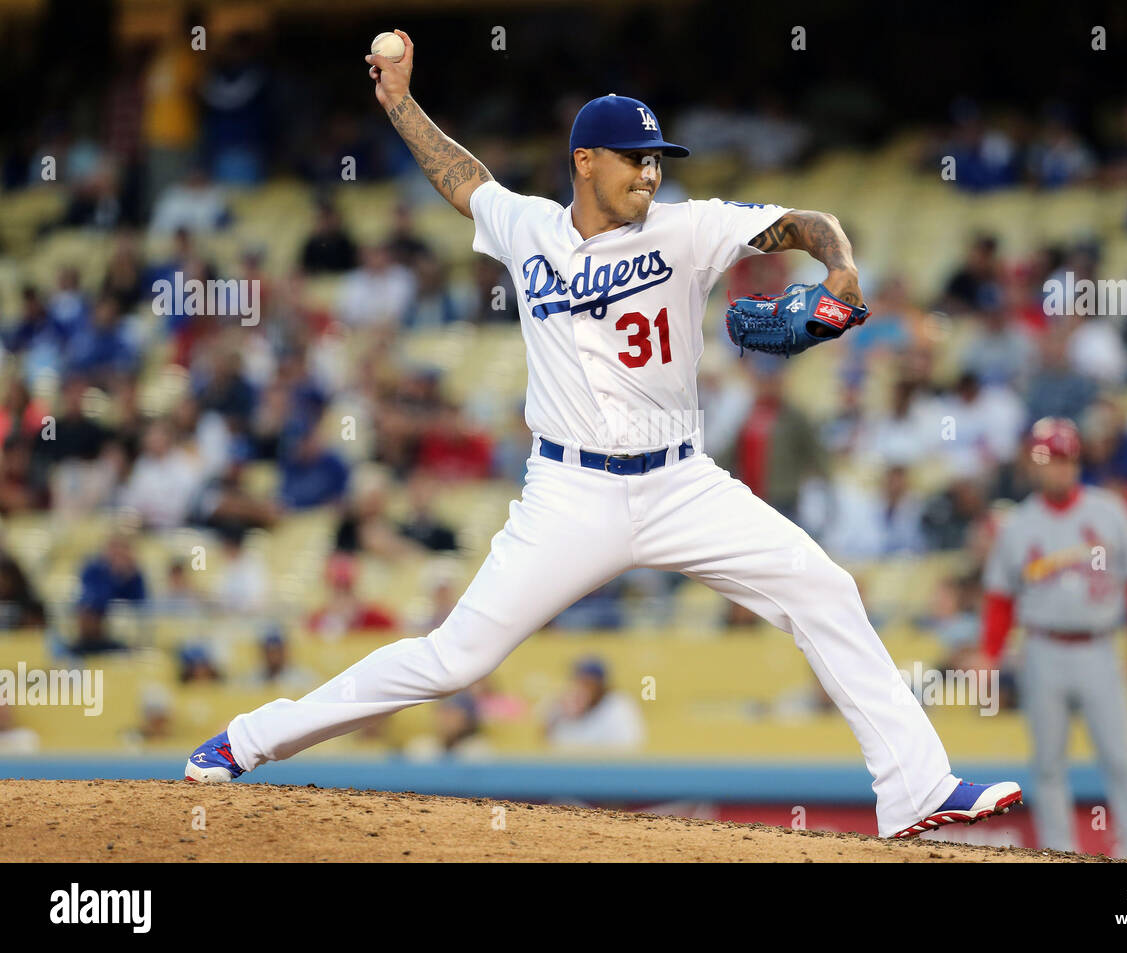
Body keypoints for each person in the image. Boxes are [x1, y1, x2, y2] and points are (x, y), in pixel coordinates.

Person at [185, 30, 1020, 840]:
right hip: (570, 493)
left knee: (824, 588)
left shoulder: (685, 228)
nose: (650, 173)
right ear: (585, 160)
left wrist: (840, 272)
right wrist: (400, 103)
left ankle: (914, 788)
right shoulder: (527, 228)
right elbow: (462, 176)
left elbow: (807, 220)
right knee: (454, 660)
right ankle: (249, 740)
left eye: (657, 159)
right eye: (634, 158)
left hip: (681, 483)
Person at [980, 417, 1127, 858]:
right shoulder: (1018, 524)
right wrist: (990, 652)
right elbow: (1000, 598)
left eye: (1063, 459)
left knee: (1120, 758)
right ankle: (1058, 851)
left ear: (1076, 462)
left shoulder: (1109, 513)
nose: (1057, 468)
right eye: (1048, 459)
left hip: (1099, 646)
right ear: (1034, 464)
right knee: (1047, 764)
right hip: (1042, 648)